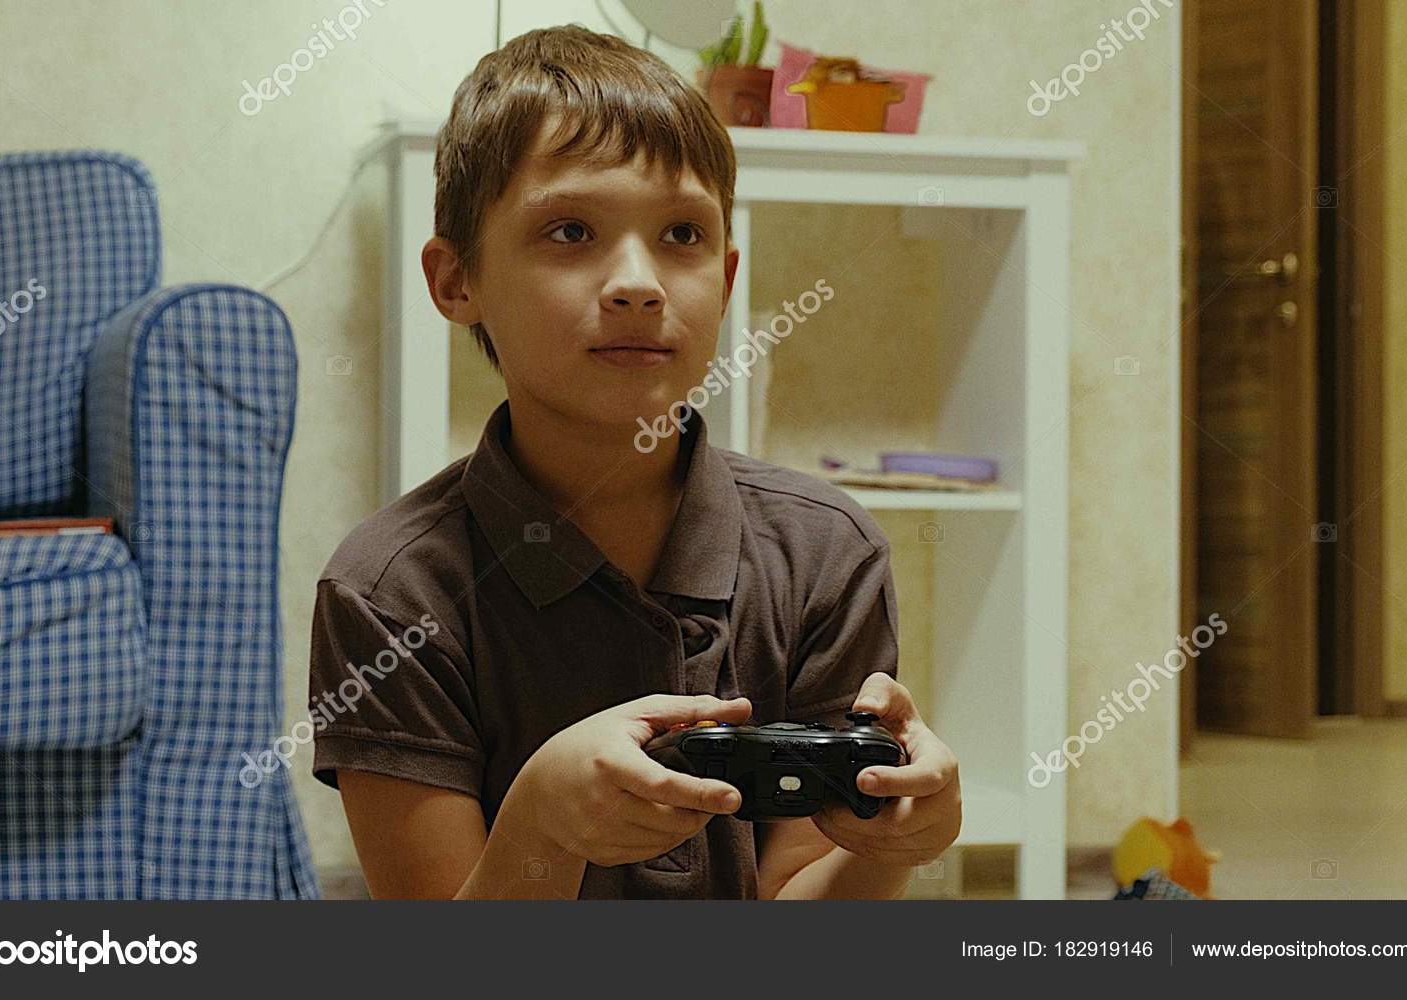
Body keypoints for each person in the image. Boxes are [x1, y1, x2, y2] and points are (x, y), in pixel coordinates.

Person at [308, 24, 960, 899]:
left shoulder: (827, 555)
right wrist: (540, 823)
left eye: (682, 235)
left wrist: (887, 845)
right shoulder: (388, 594)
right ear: (457, 280)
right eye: (571, 230)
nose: (638, 282)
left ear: (727, 281)